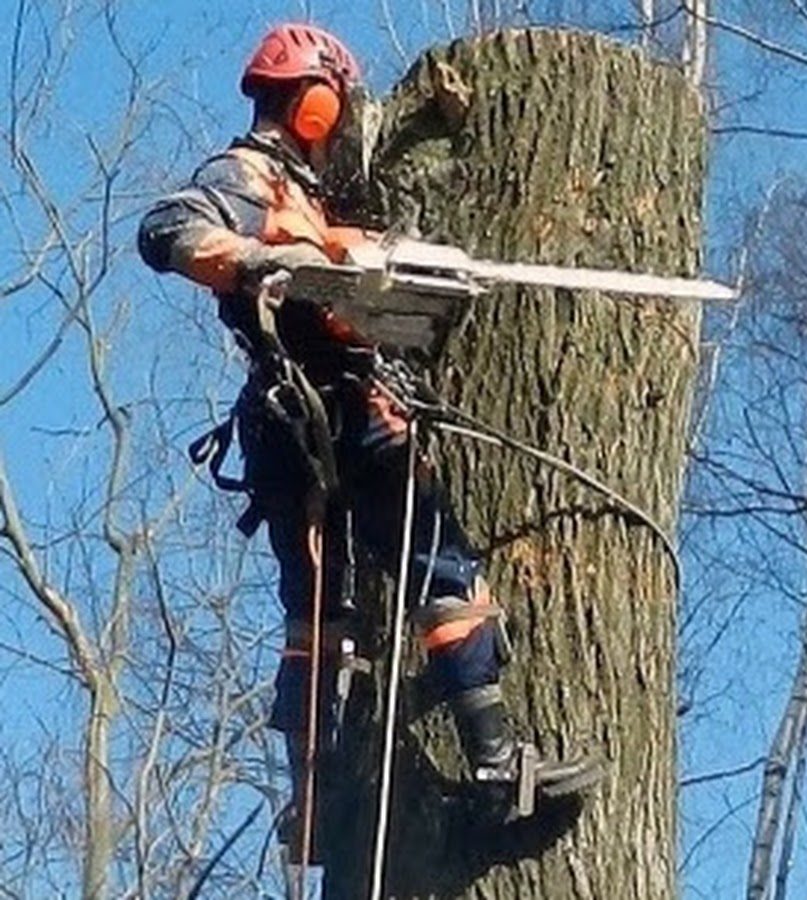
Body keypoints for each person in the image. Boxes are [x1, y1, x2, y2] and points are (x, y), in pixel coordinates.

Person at [138, 22, 536, 811]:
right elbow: (167, 229)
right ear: (313, 99)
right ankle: (495, 759)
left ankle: (315, 804)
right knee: (439, 564)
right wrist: (255, 260)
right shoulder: (249, 175)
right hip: (330, 408)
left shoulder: (311, 197)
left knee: (317, 616)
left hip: (287, 418)